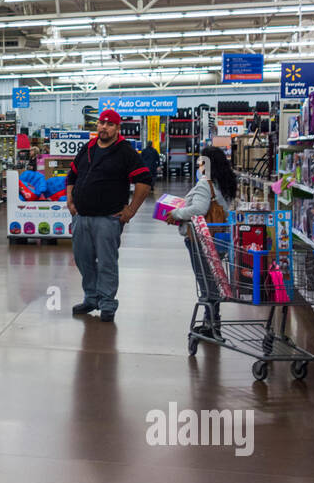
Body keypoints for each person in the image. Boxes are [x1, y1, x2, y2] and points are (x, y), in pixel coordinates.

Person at [66, 109, 154, 323]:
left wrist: (131, 210)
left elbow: (144, 180)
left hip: (108, 218)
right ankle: (91, 297)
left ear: (117, 128)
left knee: (106, 262)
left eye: (109, 124)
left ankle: (107, 303)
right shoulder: (87, 148)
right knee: (82, 259)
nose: (103, 127)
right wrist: (70, 201)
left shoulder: (125, 151)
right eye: (101, 123)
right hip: (82, 216)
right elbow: (72, 175)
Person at [165, 146, 236, 336]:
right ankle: (211, 321)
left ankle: (212, 323)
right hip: (218, 237)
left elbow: (199, 209)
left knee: (206, 282)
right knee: (211, 279)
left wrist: (176, 213)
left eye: (201, 161)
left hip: (201, 239)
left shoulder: (206, 183)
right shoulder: (225, 182)